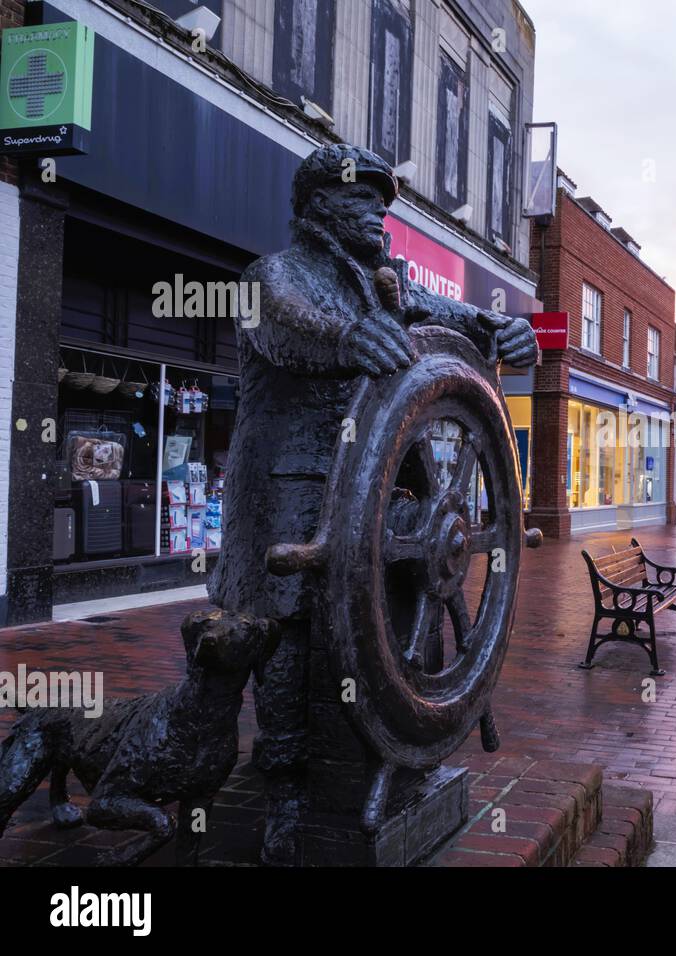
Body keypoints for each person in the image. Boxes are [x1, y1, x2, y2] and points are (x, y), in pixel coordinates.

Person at [208, 143, 537, 864]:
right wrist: (349, 335)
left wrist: (508, 331)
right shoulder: (275, 276)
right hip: (287, 492)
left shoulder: (380, 285)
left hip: (370, 507)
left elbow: (458, 317)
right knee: (284, 639)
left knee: (378, 626)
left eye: (384, 205)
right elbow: (287, 325)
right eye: (363, 201)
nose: (379, 216)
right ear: (318, 205)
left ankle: (398, 750)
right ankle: (287, 791)